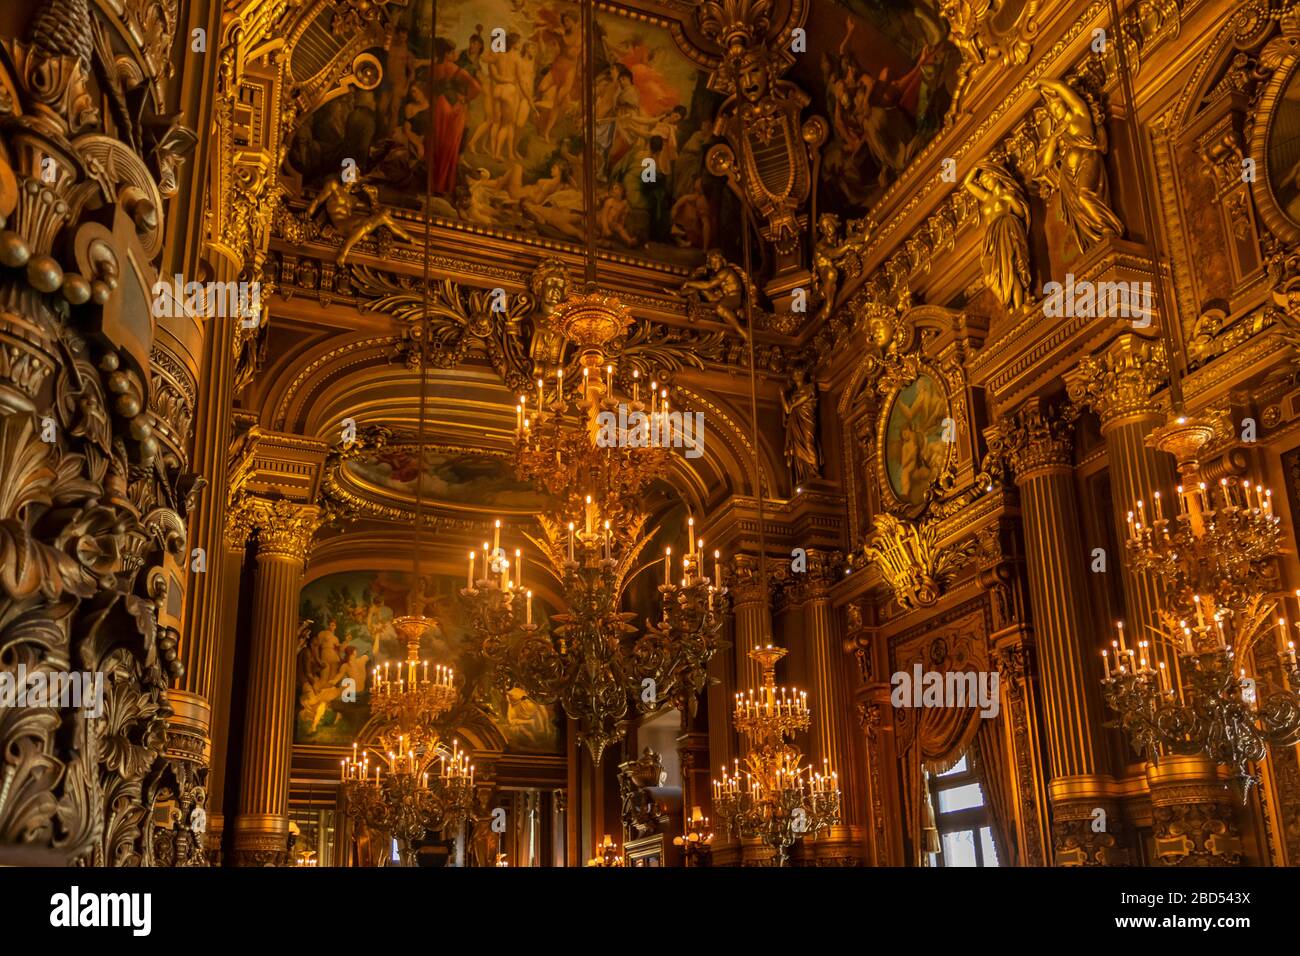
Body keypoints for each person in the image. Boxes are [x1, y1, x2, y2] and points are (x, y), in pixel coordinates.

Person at [428, 37, 482, 194]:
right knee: (450, 149)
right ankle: (444, 186)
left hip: (439, 107)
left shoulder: (434, 68)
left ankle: (434, 185)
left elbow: (430, 90)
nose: (455, 54)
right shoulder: (454, 69)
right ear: (447, 53)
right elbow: (477, 88)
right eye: (452, 51)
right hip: (455, 109)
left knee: (438, 146)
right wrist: (465, 98)